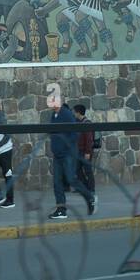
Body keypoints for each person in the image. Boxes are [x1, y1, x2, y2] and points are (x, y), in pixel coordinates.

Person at [49, 91, 95, 219]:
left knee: (71, 180)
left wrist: (65, 146)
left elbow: (75, 134)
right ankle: (61, 210)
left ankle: (90, 198)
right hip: (57, 155)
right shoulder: (54, 115)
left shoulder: (67, 114)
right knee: (57, 183)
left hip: (67, 154)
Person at [73, 103, 99, 203]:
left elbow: (89, 140)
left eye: (74, 112)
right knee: (77, 170)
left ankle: (91, 190)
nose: (73, 114)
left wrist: (88, 152)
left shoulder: (86, 123)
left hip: (85, 151)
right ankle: (86, 187)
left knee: (88, 171)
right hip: (79, 151)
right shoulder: (78, 122)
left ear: (78, 113)